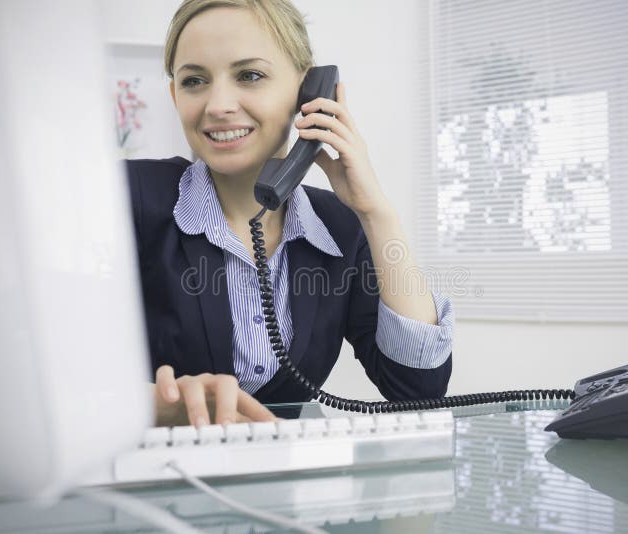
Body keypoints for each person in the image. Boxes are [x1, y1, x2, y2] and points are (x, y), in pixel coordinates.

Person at [126, 0, 454, 428]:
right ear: (175, 95)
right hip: (148, 482)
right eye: (194, 81)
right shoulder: (121, 197)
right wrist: (150, 403)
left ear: (308, 91)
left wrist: (377, 214)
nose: (218, 104)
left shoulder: (341, 227)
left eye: (250, 75)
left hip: (279, 485)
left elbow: (418, 389)